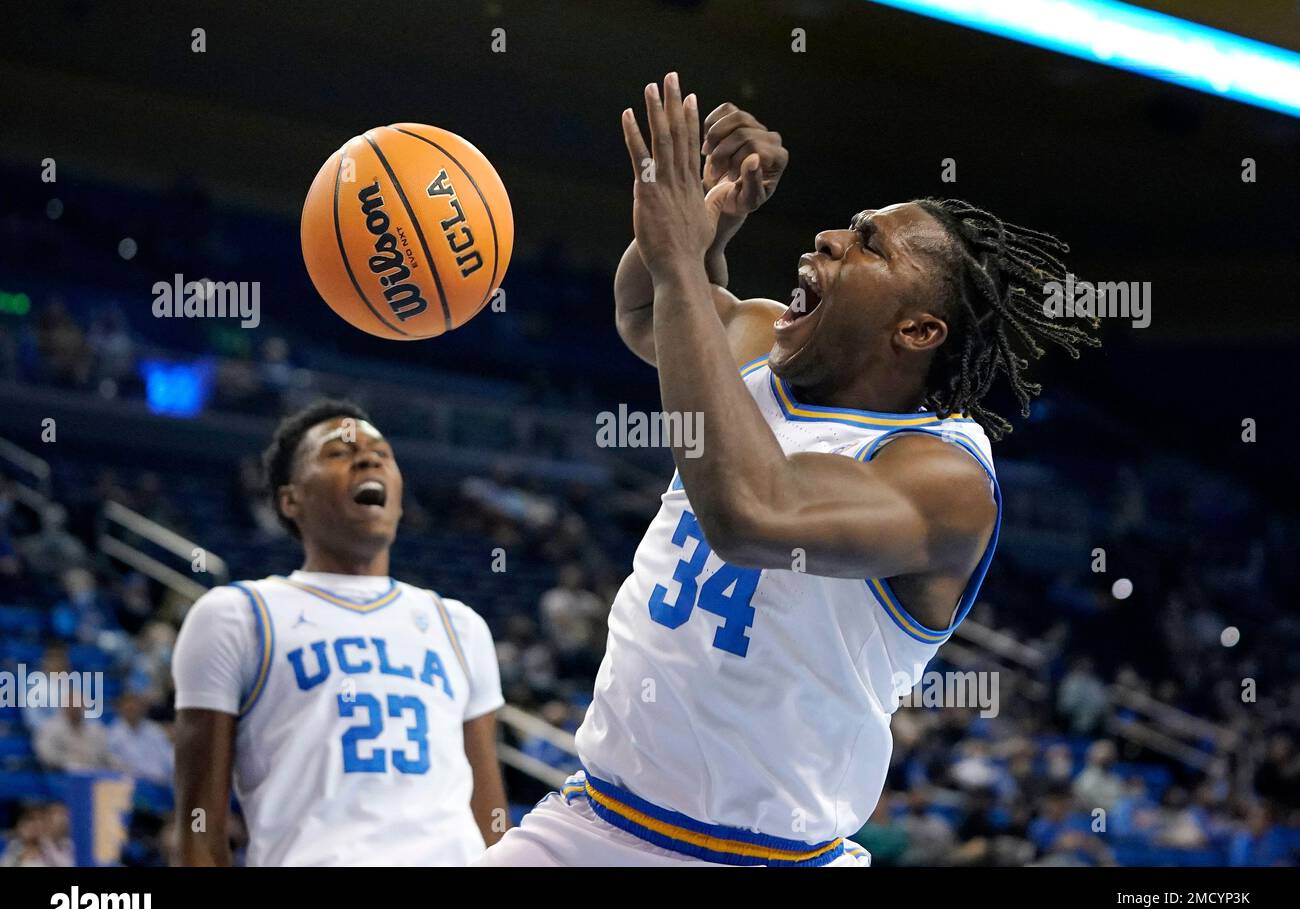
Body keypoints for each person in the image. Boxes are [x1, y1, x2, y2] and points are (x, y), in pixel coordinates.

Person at [480, 72, 1099, 868]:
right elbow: (644, 313)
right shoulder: (762, 341)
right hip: (592, 823)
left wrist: (680, 264)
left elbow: (752, 513)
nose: (829, 240)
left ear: (916, 329)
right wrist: (710, 215)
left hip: (769, 859)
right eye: (847, 226)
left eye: (869, 245)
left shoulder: (940, 477)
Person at [172, 400, 509, 865]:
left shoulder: (460, 625)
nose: (369, 458)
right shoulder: (237, 615)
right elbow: (199, 832)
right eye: (339, 451)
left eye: (382, 452)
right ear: (291, 499)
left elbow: (491, 822)